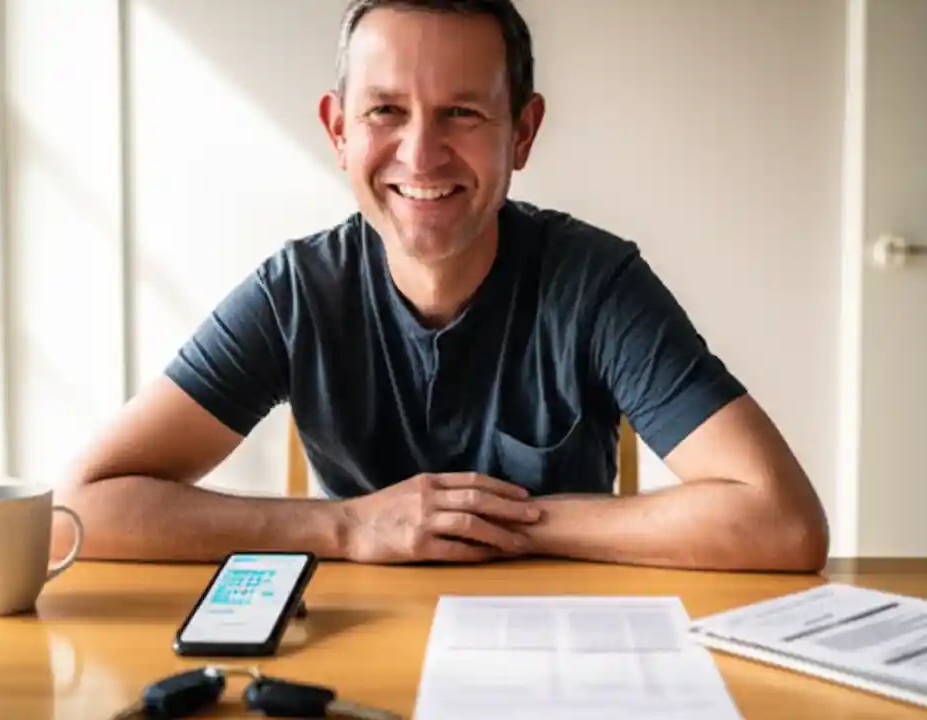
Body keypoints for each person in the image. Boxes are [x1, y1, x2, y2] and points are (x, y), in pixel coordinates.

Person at [55, 0, 828, 571]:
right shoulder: (296, 293)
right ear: (339, 130)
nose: (420, 156)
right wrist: (350, 527)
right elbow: (79, 510)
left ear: (521, 133)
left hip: (568, 643)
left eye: (460, 112)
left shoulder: (595, 283)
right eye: (386, 110)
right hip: (355, 643)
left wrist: (507, 523)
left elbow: (784, 524)